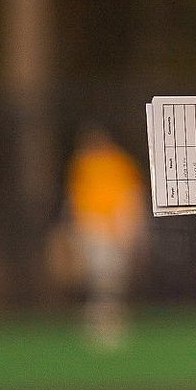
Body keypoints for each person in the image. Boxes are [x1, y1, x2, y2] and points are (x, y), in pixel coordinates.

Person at [62, 126, 147, 349]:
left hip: (111, 229)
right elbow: (75, 201)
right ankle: (103, 323)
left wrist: (129, 228)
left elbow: (130, 199)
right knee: (101, 279)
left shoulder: (117, 163)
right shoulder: (84, 165)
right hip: (93, 228)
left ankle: (105, 324)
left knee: (109, 279)